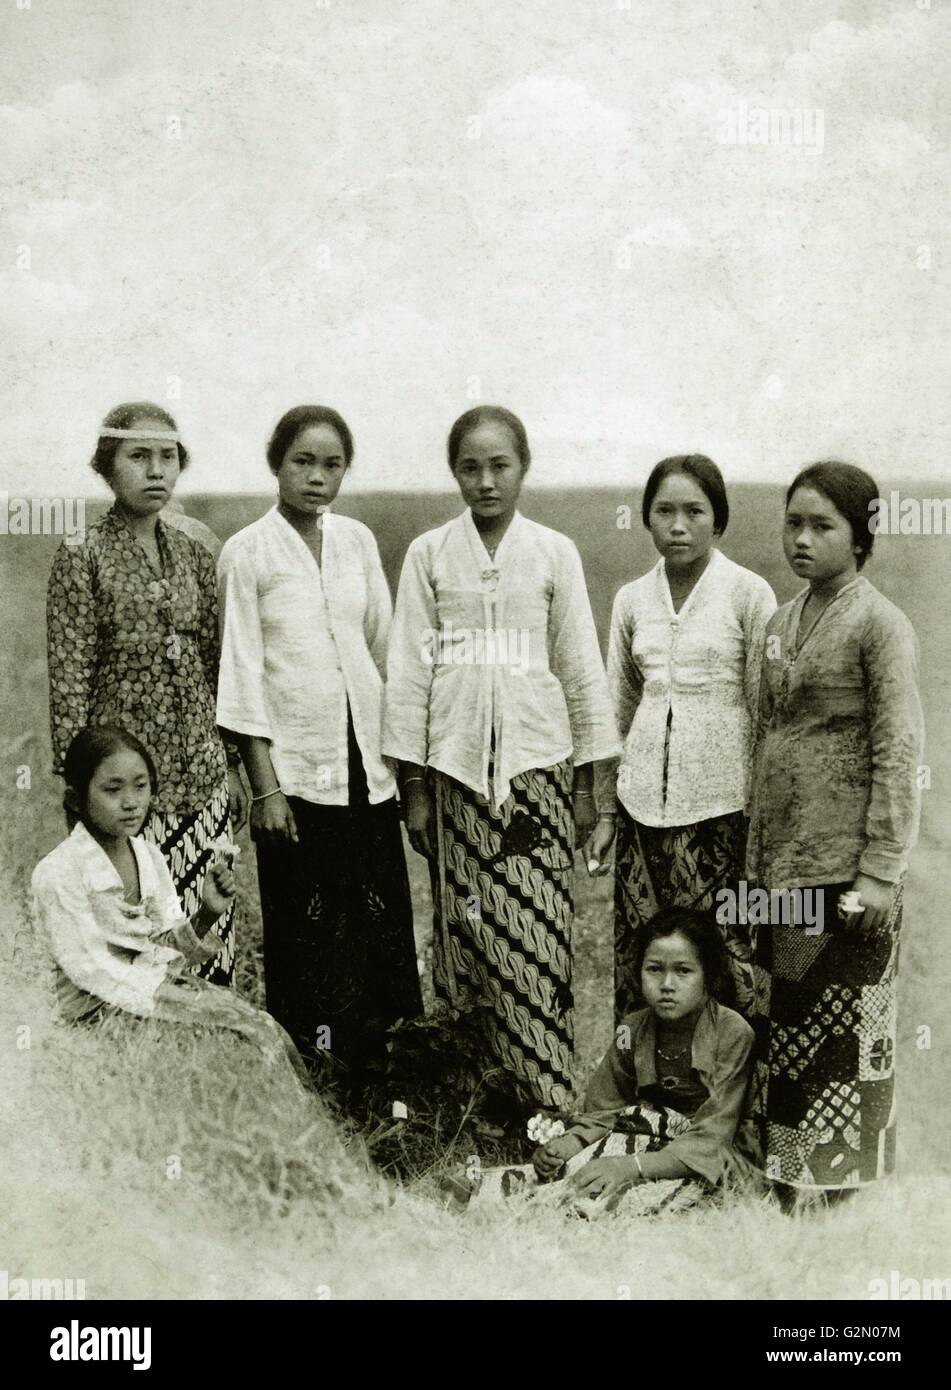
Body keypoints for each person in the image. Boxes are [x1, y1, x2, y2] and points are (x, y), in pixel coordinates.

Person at [383, 405, 620, 1114]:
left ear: (524, 467)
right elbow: (409, 673)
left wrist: (587, 789)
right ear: (454, 471)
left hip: (538, 777)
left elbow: (579, 669)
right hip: (454, 780)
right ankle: (477, 1110)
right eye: (470, 467)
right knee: (470, 938)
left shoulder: (553, 553)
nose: (485, 482)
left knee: (541, 943)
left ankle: (548, 1109)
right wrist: (416, 789)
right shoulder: (429, 555)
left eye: (500, 466)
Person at [216, 405, 421, 1077]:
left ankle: (390, 1082)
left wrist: (403, 768)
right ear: (276, 463)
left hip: (367, 769)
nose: (317, 477)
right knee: (310, 932)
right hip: (297, 780)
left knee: (378, 925)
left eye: (332, 464)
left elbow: (383, 652)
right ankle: (317, 1080)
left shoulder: (358, 542)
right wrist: (264, 787)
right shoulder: (247, 552)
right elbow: (241, 672)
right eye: (303, 461)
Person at [745, 461, 924, 1194]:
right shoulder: (779, 622)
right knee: (788, 1029)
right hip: (781, 865)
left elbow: (899, 747)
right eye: (793, 522)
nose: (802, 538)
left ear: (859, 538)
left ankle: (849, 1194)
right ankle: (791, 1183)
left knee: (850, 1032)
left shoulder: (880, 624)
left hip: (849, 869)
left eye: (822, 525)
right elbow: (766, 736)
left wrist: (879, 869)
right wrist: (753, 861)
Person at [46, 403, 246, 986]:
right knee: (135, 944)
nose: (156, 471)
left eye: (167, 457)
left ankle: (209, 1060)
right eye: (139, 457)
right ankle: (141, 1066)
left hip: (201, 780)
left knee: (210, 931)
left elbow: (214, 666)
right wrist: (82, 791)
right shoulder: (81, 554)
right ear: (107, 468)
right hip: (126, 788)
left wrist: (228, 764)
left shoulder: (192, 553)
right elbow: (69, 680)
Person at [589, 455, 776, 1020]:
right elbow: (616, 708)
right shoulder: (631, 599)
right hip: (641, 810)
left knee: (723, 954)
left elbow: (763, 710)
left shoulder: (748, 594)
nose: (678, 526)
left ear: (717, 520)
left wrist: (760, 819)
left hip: (724, 811)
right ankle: (645, 1093)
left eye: (694, 511)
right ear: (646, 519)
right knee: (646, 954)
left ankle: (729, 1094)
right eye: (664, 511)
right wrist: (604, 811)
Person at [31, 726, 303, 1082]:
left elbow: (158, 950)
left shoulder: (148, 856)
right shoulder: (58, 872)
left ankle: (282, 1132)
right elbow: (90, 970)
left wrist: (206, 913)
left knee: (263, 1030)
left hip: (148, 992)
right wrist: (178, 1002)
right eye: (113, 789)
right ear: (76, 799)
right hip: (95, 1010)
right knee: (227, 1039)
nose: (131, 801)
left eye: (141, 786)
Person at [449, 908, 757, 1215]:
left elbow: (713, 1136)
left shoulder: (732, 1033)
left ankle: (552, 1204)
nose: (667, 984)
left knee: (629, 1199)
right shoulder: (631, 1029)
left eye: (683, 971)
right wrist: (565, 1147)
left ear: (708, 976)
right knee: (575, 1171)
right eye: (654, 969)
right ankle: (497, 1193)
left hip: (700, 1157)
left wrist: (630, 1166)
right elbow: (604, 1111)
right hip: (640, 1143)